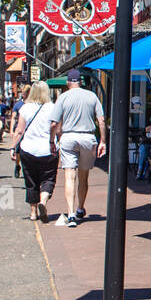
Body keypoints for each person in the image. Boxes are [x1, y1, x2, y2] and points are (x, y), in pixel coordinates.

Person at [49, 69, 107, 227]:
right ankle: (80, 208)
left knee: (69, 176)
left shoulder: (63, 97)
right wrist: (103, 141)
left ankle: (71, 213)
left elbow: (54, 123)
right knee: (83, 176)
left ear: (68, 83)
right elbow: (101, 120)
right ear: (80, 82)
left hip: (68, 137)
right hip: (87, 137)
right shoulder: (92, 96)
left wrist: (51, 141)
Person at [16, 80, 58, 222]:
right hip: (47, 149)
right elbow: (57, 128)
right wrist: (54, 141)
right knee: (48, 178)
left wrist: (12, 147)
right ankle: (43, 201)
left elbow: (19, 130)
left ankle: (33, 213)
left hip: (28, 149)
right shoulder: (53, 108)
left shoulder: (25, 108)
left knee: (31, 180)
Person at [10, 88, 27, 178]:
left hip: (28, 130)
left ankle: (25, 168)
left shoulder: (31, 104)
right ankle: (17, 165)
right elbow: (13, 117)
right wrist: (12, 130)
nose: (24, 94)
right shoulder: (18, 104)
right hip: (19, 129)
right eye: (23, 93)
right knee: (17, 151)